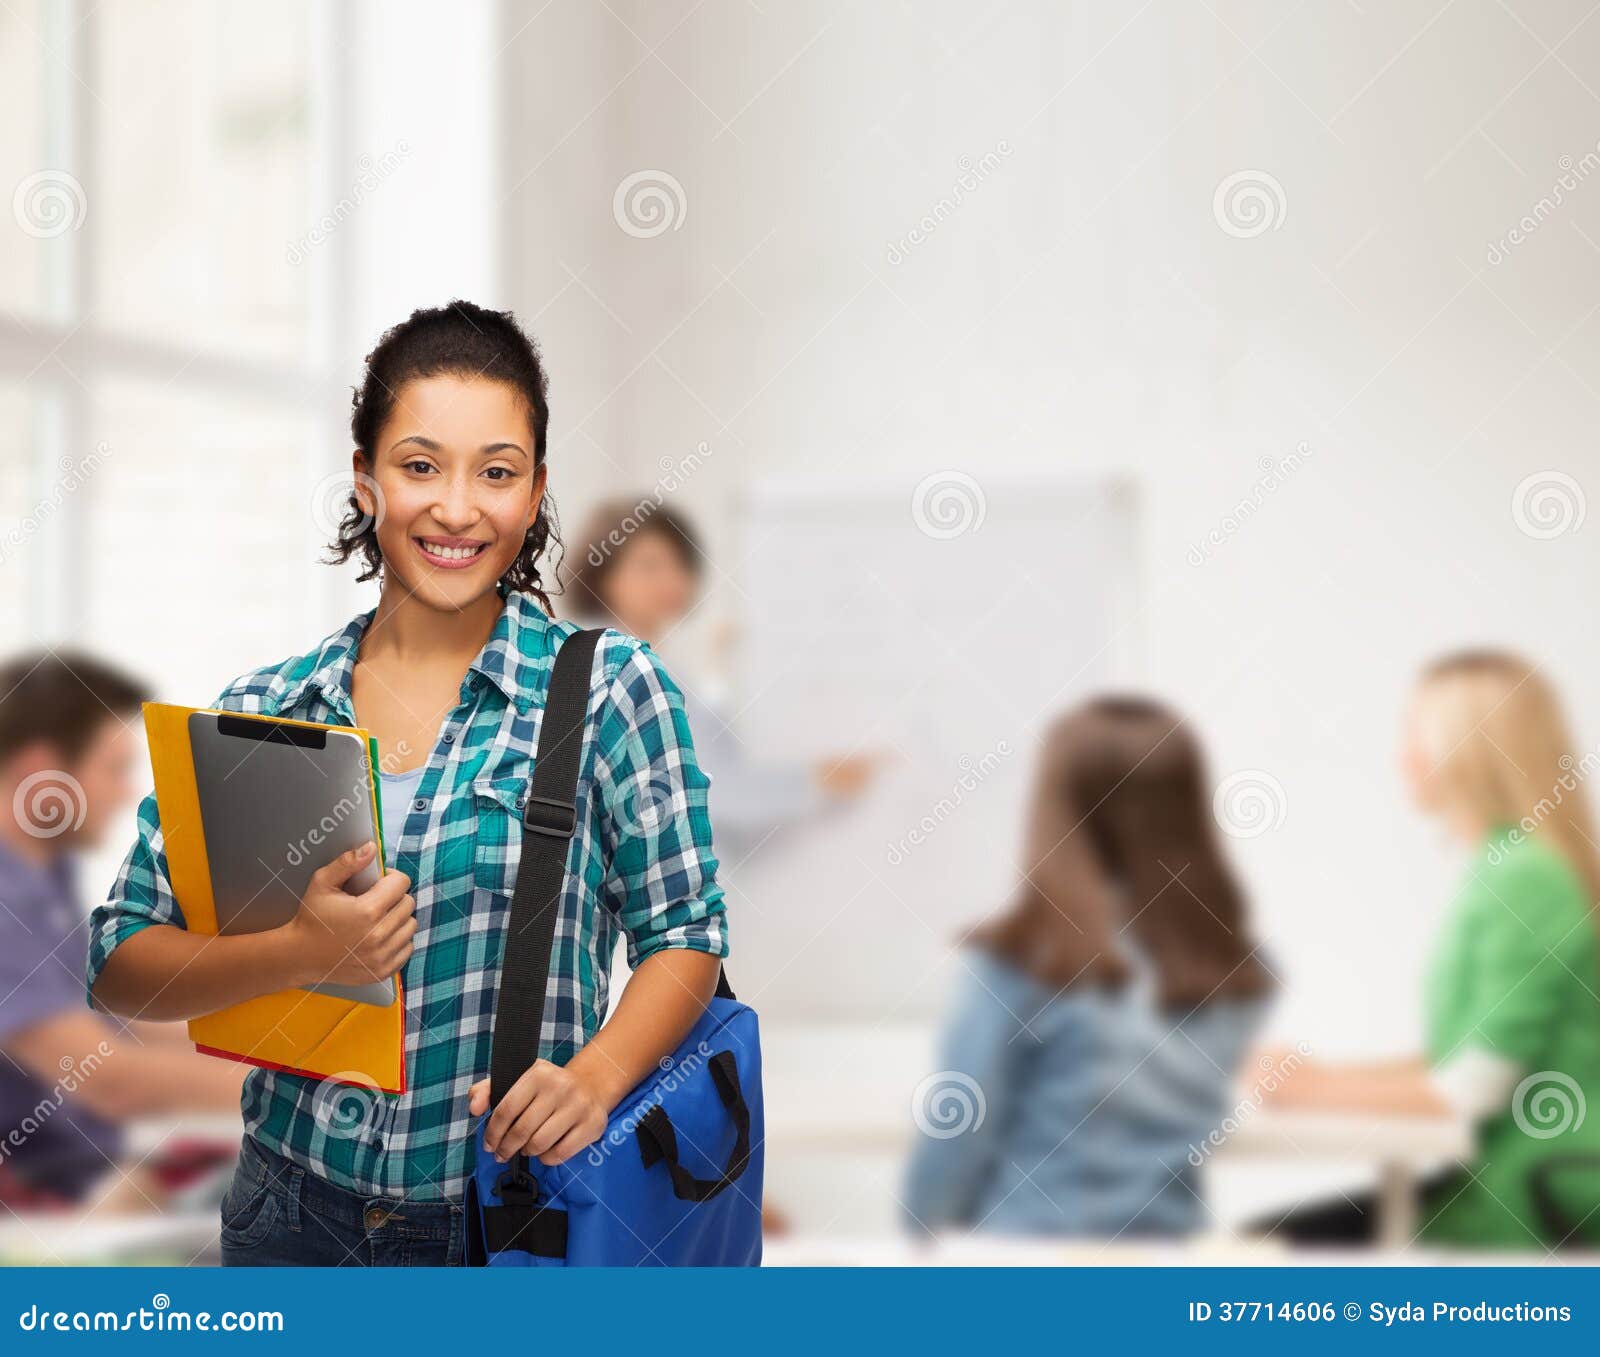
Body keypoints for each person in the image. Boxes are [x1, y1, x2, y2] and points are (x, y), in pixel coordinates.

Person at [87, 300, 730, 1265]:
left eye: (497, 472)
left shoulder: (610, 689)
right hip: (285, 1215)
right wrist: (298, 950)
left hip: (506, 1217)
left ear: (536, 492)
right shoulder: (268, 707)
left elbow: (685, 932)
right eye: (421, 465)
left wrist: (595, 1078)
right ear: (366, 481)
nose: (458, 508)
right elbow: (120, 958)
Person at [1258, 651, 1600, 1249]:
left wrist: (1307, 1091)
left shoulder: (1525, 878)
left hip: (1529, 1201)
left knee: (1253, 1253)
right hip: (1505, 1185)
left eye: (1416, 734)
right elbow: (1464, 1057)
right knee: (1261, 1244)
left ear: (1469, 752)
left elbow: (1470, 1089)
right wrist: (1320, 1075)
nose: (1404, 758)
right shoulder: (1508, 866)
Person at [901, 697, 1271, 1238]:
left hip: (1025, 1256)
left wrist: (917, 1239)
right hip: (1169, 1253)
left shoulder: (1019, 963)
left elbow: (957, 1136)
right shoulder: (1238, 970)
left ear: (1055, 810)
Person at [0, 652, 245, 1213]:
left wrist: (274, 1051)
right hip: (40, 1201)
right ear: (40, 770)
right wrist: (298, 1094)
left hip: (93, 1172)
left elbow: (118, 1019)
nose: (125, 792)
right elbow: (108, 1078)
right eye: (113, 770)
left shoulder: (43, 876)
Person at [563, 499, 879, 865]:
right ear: (604, 577)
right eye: (650, 566)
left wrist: (721, 669)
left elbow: (704, 744)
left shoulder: (650, 662)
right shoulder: (612, 667)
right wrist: (819, 780)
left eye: (680, 564)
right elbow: (718, 791)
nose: (671, 579)